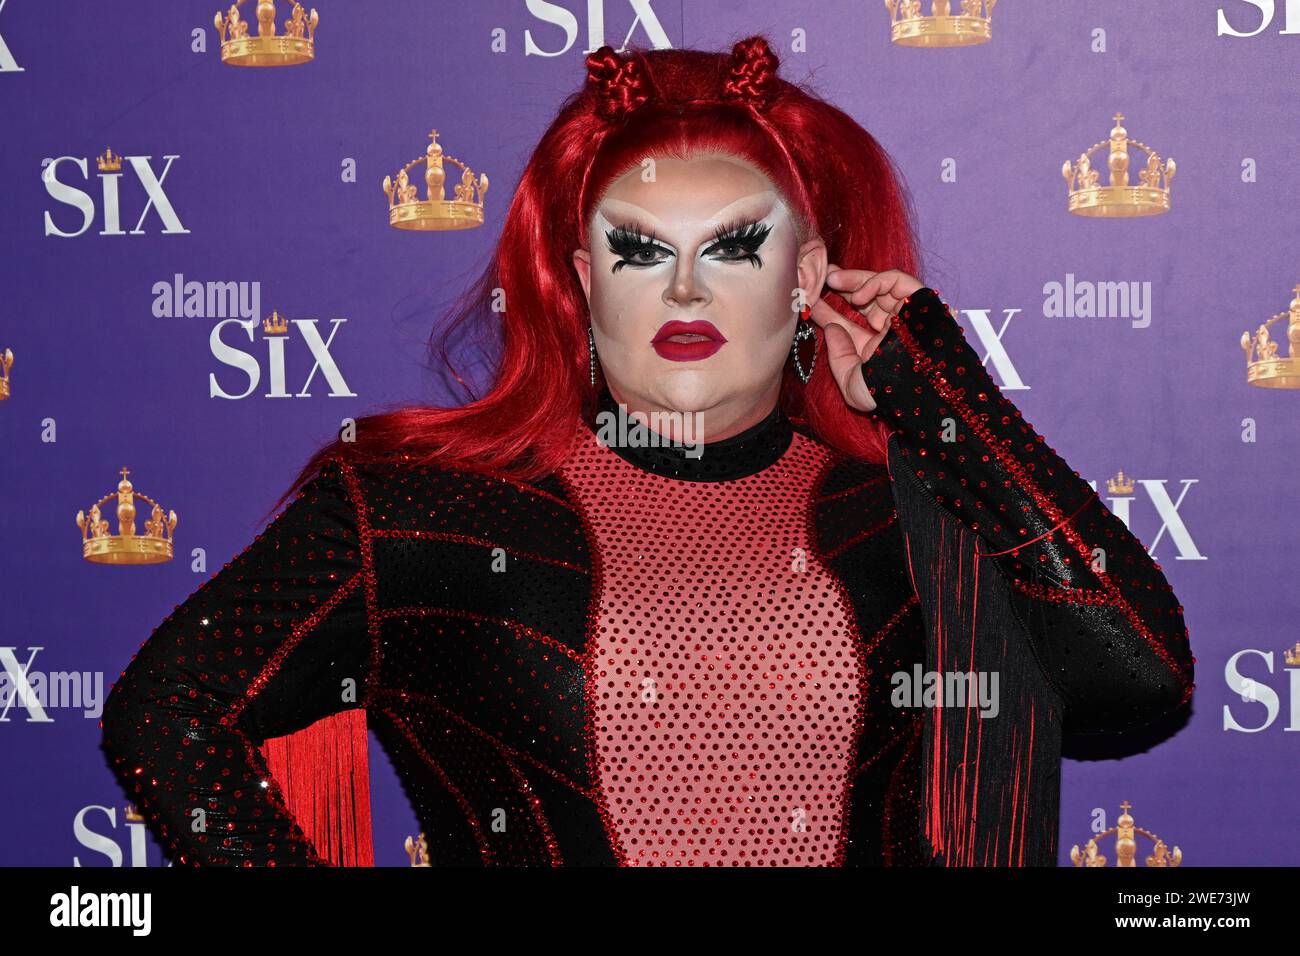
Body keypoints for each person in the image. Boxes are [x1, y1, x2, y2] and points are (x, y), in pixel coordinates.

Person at [99, 35, 1195, 867]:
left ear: (806, 276)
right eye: (637, 250)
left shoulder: (907, 513)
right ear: (578, 278)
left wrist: (949, 401)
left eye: (733, 247)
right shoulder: (423, 516)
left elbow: (1137, 683)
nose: (681, 289)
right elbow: (166, 713)